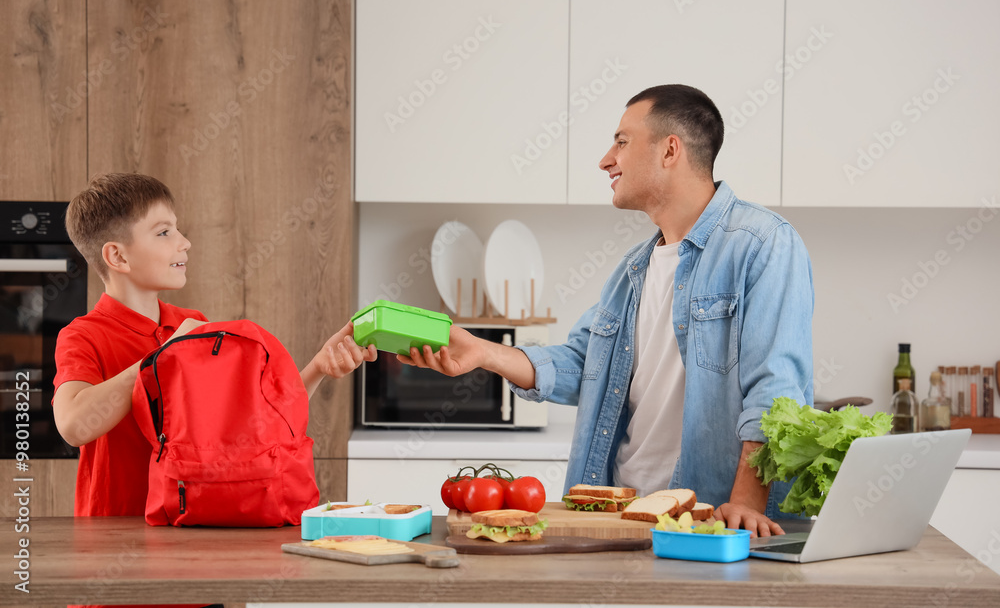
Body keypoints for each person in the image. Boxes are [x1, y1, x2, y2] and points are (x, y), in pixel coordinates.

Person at [401, 84, 813, 537]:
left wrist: (746, 503)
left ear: (670, 150)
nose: (606, 160)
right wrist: (484, 352)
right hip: (622, 517)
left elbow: (777, 393)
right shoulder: (631, 270)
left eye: (621, 142)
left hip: (711, 522)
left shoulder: (762, 244)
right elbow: (584, 363)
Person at [53, 172, 376, 521]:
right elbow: (74, 426)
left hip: (188, 526)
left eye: (177, 229)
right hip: (113, 535)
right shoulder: (83, 335)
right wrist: (164, 356)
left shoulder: (194, 324)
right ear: (117, 257)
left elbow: (255, 423)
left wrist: (318, 368)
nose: (184, 242)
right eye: (164, 232)